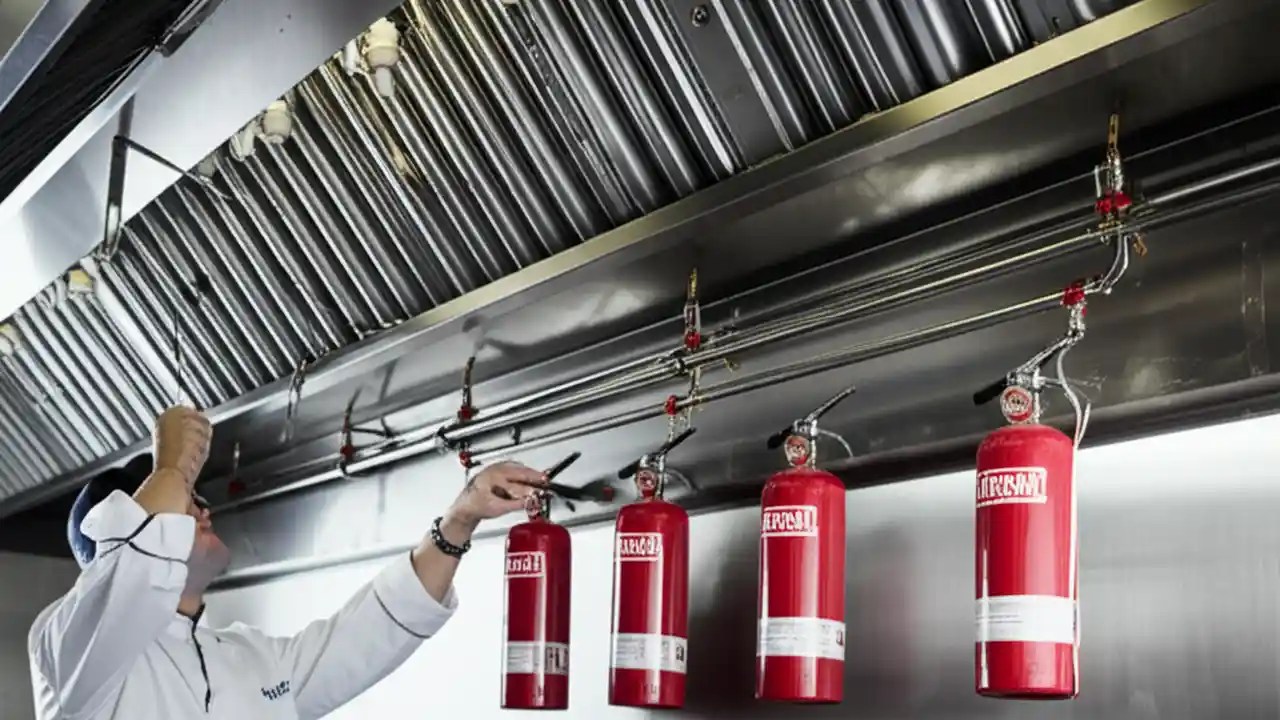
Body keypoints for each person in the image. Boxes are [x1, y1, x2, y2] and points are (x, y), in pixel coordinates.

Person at [28, 405, 549, 719]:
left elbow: (366, 632)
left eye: (194, 497)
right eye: (185, 498)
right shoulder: (70, 650)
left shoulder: (246, 657)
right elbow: (132, 571)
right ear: (113, 539)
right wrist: (170, 465)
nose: (202, 509)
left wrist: (460, 518)